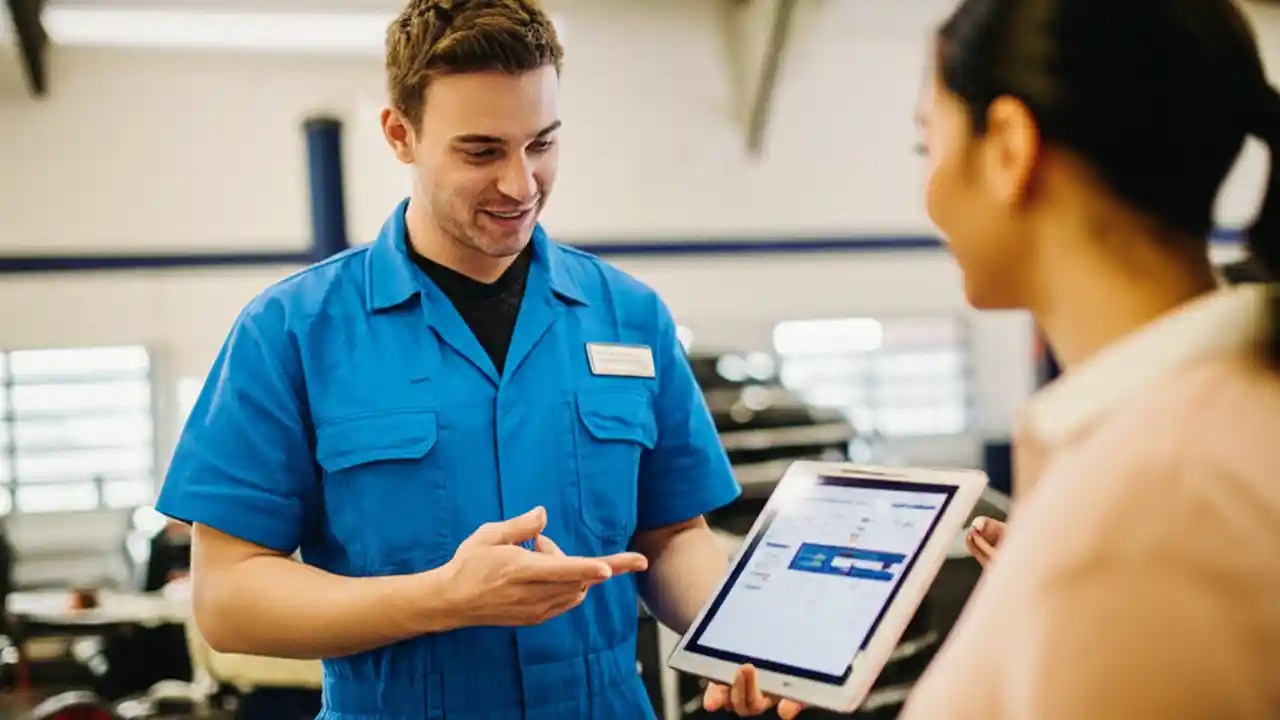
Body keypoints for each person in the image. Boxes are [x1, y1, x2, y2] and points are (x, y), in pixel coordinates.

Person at [155, 1, 741, 717]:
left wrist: (737, 637)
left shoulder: (631, 316)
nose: (521, 185)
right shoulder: (291, 331)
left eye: (542, 143)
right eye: (482, 151)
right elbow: (227, 598)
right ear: (401, 134)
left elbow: (674, 534)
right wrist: (441, 599)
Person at [711, 0, 1280, 716]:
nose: (929, 192)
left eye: (928, 145)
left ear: (1009, 146)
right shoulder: (1206, 433)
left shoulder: (1151, 504)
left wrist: (1085, 572)